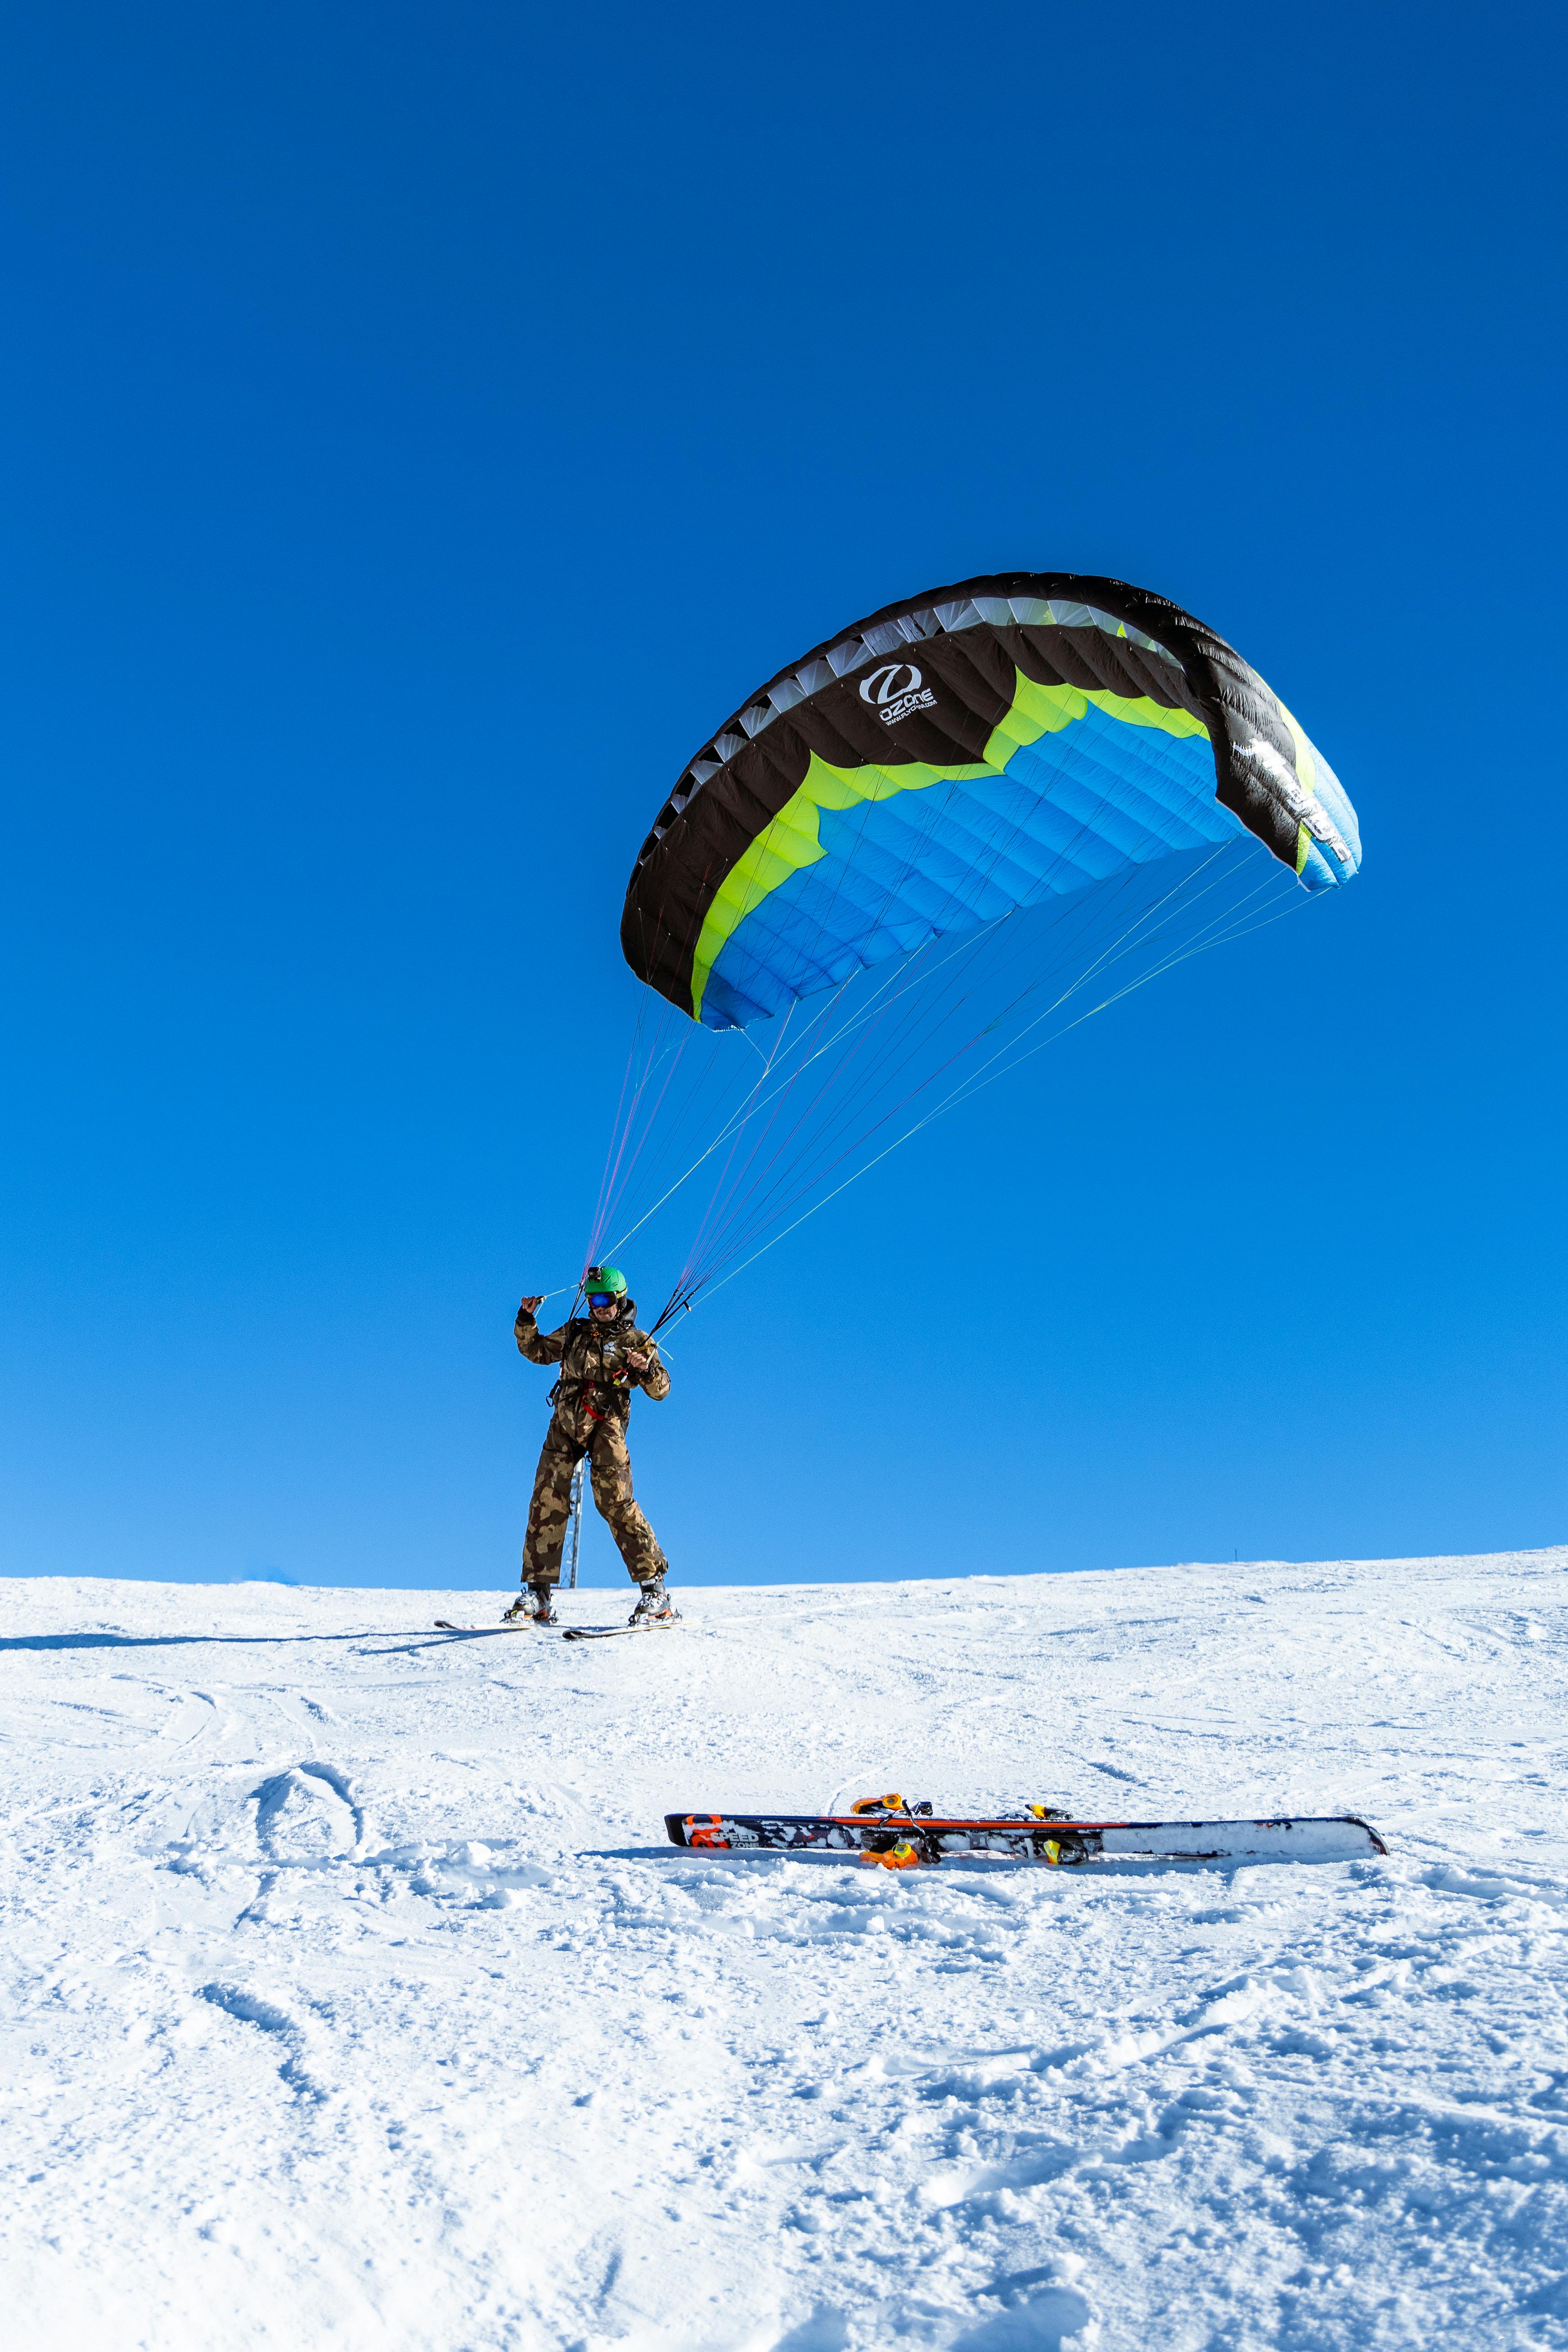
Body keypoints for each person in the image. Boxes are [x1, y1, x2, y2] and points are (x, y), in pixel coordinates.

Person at [508, 1264, 675, 1626]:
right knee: (546, 1499)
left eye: (604, 1299)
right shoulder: (576, 1332)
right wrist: (526, 1319)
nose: (597, 1307)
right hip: (565, 1423)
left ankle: (655, 1591)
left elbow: (662, 1389)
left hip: (606, 1427)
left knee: (616, 1502)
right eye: (592, 1299)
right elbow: (537, 1351)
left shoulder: (637, 1341)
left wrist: (644, 1369)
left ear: (619, 1299)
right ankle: (538, 1594)